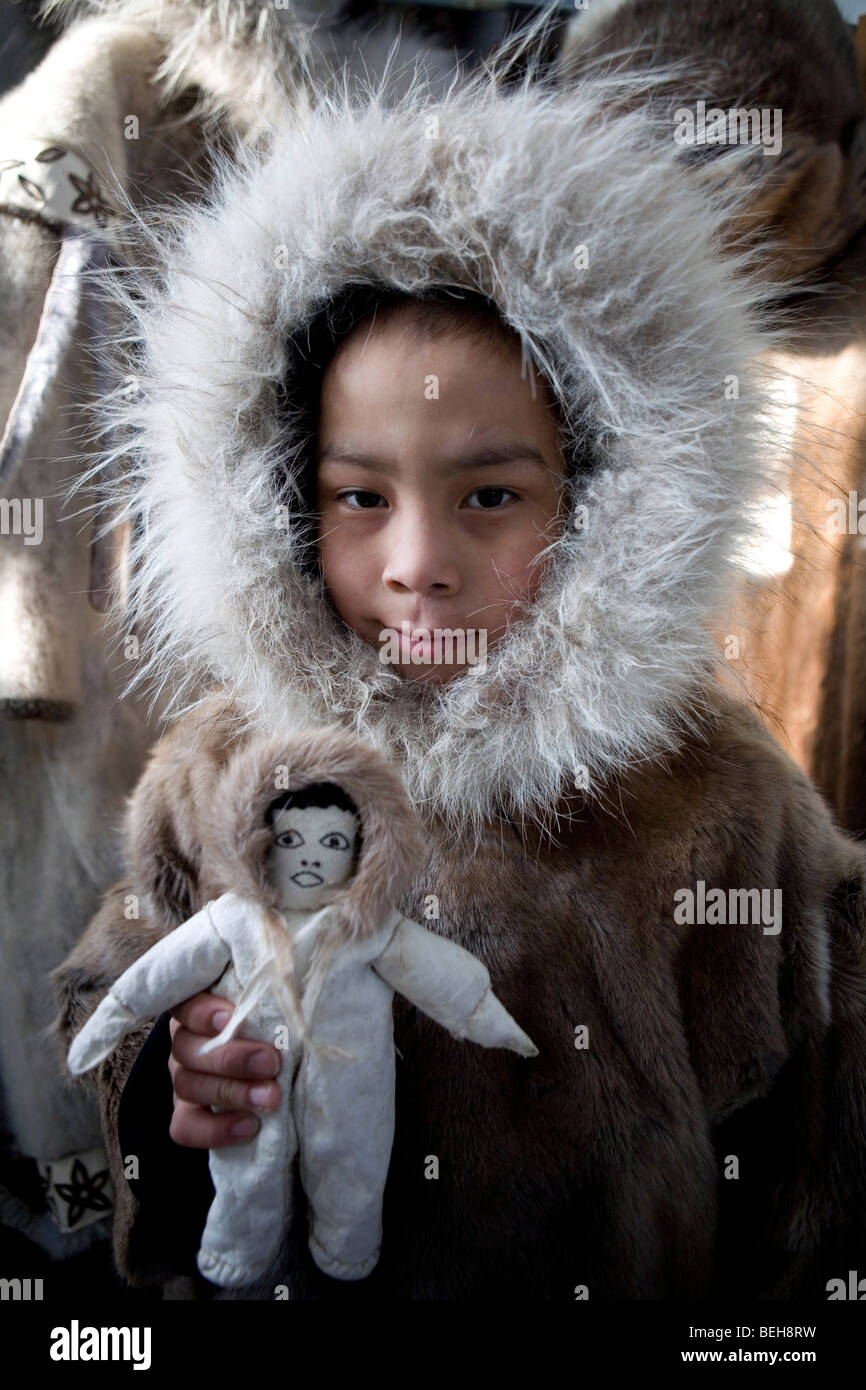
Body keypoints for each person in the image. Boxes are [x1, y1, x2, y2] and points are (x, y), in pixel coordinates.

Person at [53, 57, 866, 1300]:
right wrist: (171, 1082)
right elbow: (105, 999)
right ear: (276, 500)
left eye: (489, 495)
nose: (418, 566)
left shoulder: (725, 810)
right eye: (359, 498)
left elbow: (820, 1150)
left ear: (596, 502)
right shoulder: (221, 774)